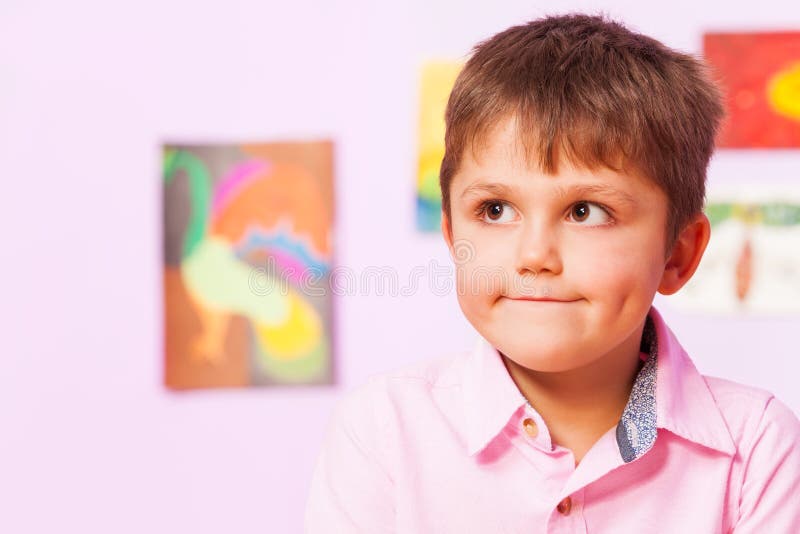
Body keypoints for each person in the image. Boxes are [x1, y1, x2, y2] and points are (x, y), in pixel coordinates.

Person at [304, 13, 800, 532]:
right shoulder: (383, 431)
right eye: (495, 210)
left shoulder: (755, 451)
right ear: (453, 239)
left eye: (586, 211)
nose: (534, 255)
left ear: (677, 254)